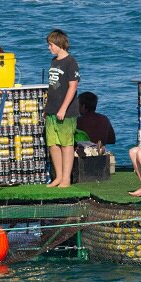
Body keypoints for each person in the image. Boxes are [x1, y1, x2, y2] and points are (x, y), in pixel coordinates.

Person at [43, 30, 80, 188]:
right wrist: (47, 108)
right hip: (51, 108)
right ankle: (58, 176)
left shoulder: (70, 62)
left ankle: (66, 178)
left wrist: (63, 108)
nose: (49, 48)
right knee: (53, 144)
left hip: (66, 111)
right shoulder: (53, 62)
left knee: (66, 144)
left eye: (50, 45)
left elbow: (72, 87)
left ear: (58, 44)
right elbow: (55, 85)